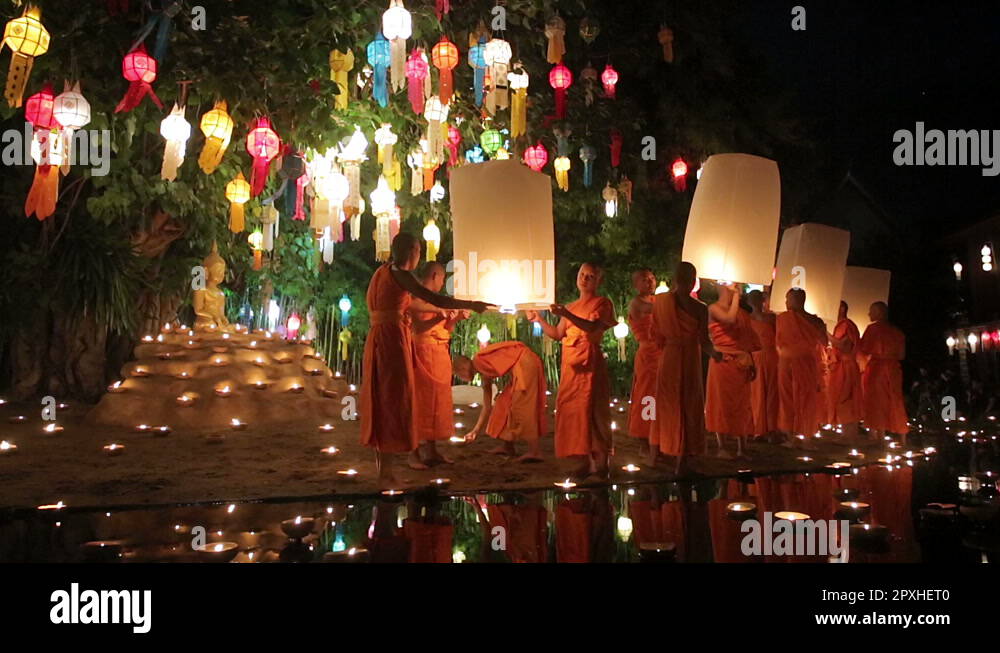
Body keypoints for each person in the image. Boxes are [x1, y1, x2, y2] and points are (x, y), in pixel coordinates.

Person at [360, 233, 493, 488]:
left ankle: (385, 468)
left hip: (378, 337)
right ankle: (387, 470)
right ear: (413, 251)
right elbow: (434, 299)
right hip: (391, 340)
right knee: (391, 399)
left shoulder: (382, 272)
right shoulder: (399, 274)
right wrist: (471, 303)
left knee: (383, 397)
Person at [527, 263, 616, 481]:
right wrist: (539, 319)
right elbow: (558, 334)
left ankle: (602, 462)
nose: (585, 279)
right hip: (570, 365)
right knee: (573, 412)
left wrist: (567, 313)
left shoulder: (602, 303)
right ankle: (583, 460)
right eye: (582, 274)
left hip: (590, 365)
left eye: (591, 276)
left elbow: (592, 328)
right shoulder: (571, 306)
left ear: (598, 281)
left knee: (594, 412)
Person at [648, 262, 720, 474]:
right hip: (684, 356)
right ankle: (680, 455)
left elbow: (655, 335)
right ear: (690, 280)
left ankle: (666, 452)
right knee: (678, 402)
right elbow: (704, 341)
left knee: (673, 402)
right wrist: (715, 354)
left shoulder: (662, 303)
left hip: (675, 356)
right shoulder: (697, 307)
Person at [407, 261, 470, 470]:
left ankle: (432, 450)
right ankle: (413, 452)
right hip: (422, 352)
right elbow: (420, 326)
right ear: (435, 275)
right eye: (443, 278)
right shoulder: (417, 297)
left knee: (437, 402)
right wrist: (440, 317)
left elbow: (446, 329)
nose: (443, 282)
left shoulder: (438, 301)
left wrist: (456, 317)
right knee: (420, 402)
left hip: (439, 352)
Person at [453, 340, 549, 462]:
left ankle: (535, 451)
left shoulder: (479, 360)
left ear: (463, 367)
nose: (463, 378)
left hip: (525, 363)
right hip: (519, 368)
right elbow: (487, 407)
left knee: (522, 406)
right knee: (503, 403)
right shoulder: (483, 371)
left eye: (460, 374)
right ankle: (507, 445)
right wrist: (475, 431)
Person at [705, 281, 760, 459]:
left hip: (741, 361)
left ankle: (741, 448)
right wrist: (736, 295)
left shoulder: (742, 314)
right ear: (719, 286)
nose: (735, 287)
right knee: (721, 402)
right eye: (731, 284)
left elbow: (747, 340)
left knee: (742, 404)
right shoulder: (713, 308)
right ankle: (722, 447)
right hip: (723, 360)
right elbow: (728, 319)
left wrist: (752, 362)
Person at [775, 288, 827, 449]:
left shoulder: (787, 318)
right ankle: (801, 438)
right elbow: (824, 341)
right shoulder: (814, 321)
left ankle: (797, 437)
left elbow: (779, 343)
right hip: (798, 362)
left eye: (788, 299)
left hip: (796, 361)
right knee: (795, 398)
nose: (786, 302)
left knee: (799, 398)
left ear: (797, 300)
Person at [858, 301, 909, 442]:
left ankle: (878, 436)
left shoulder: (872, 329)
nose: (869, 314)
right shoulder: (897, 332)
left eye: (871, 311)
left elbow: (863, 349)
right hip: (893, 370)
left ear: (879, 313)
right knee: (896, 400)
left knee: (876, 402)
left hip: (877, 369)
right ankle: (902, 436)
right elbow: (901, 355)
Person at [627, 268, 662, 454]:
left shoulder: (658, 300)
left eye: (651, 278)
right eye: (644, 279)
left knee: (660, 395)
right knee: (647, 395)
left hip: (662, 352)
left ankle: (658, 436)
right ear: (636, 284)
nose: (649, 282)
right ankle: (644, 437)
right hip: (648, 353)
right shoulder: (637, 303)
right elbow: (657, 310)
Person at [826, 301, 863, 443]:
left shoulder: (847, 325)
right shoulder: (841, 325)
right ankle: (847, 435)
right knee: (842, 398)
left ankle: (849, 436)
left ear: (842, 309)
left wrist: (826, 333)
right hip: (841, 366)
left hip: (846, 367)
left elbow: (844, 346)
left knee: (846, 398)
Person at [746, 290, 779, 441]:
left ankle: (770, 428)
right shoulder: (747, 319)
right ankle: (760, 428)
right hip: (757, 356)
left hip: (770, 356)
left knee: (770, 392)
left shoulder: (771, 318)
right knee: (758, 392)